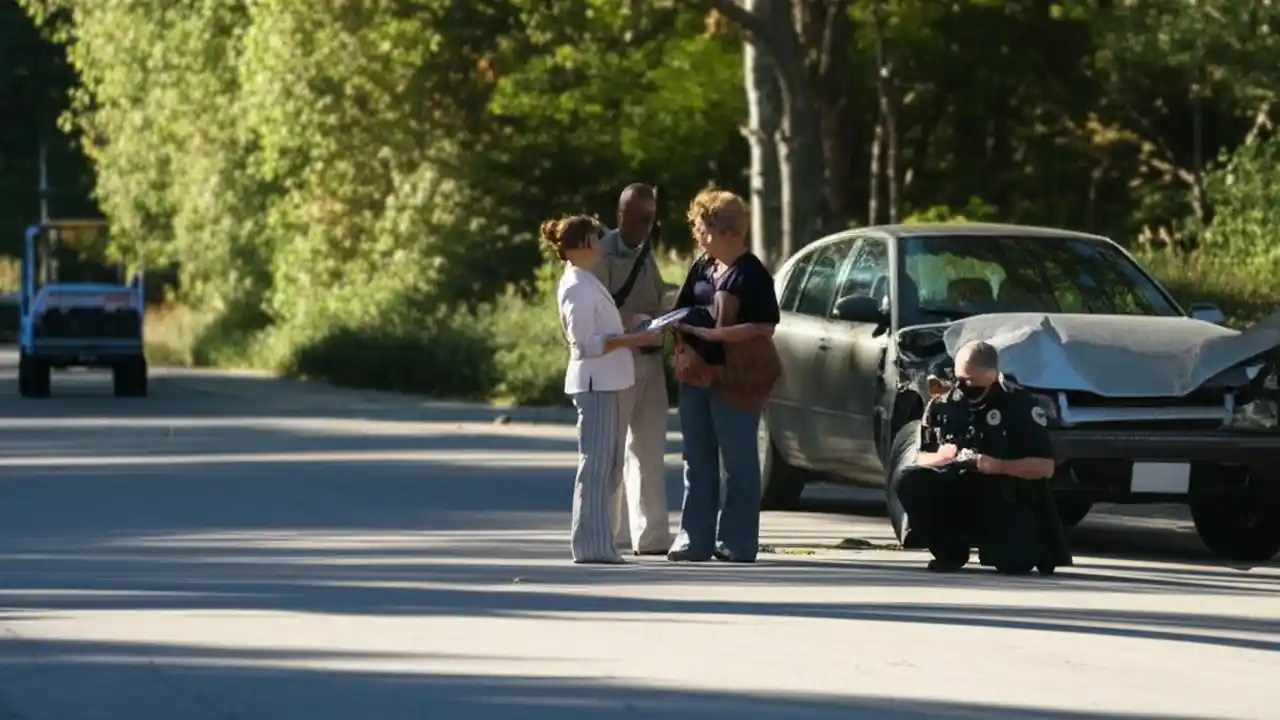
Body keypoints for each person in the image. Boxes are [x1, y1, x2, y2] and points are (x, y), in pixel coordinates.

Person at [667, 188, 782, 563]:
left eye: (703, 227)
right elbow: (682, 307)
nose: (698, 234)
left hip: (736, 378)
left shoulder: (752, 272)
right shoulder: (701, 267)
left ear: (726, 229)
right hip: (696, 374)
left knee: (739, 462)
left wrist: (718, 335)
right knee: (696, 460)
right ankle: (693, 540)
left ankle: (736, 542)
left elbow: (764, 326)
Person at [542, 215, 663, 564]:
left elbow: (603, 330)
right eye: (596, 238)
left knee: (608, 464)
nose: (601, 244)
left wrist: (633, 328)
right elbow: (586, 343)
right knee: (595, 464)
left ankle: (599, 542)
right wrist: (633, 339)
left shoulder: (587, 281)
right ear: (583, 245)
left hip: (610, 380)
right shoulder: (577, 286)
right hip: (596, 383)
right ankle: (590, 545)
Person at [896, 340, 1074, 574]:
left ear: (993, 376)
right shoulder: (946, 403)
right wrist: (941, 456)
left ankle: (1023, 546)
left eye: (972, 383)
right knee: (909, 480)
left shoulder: (1018, 406)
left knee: (1014, 565)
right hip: (956, 488)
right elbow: (920, 459)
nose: (964, 388)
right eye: (959, 380)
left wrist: (997, 465)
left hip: (1001, 495)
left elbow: (1045, 467)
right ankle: (949, 552)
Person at [592, 183, 674, 556]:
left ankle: (653, 536)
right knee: (611, 450)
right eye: (641, 218)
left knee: (650, 449)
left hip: (651, 360)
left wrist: (670, 307)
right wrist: (634, 322)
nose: (647, 226)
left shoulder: (647, 252)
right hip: (616, 361)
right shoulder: (599, 254)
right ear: (621, 215)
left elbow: (656, 294)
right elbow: (595, 315)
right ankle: (606, 533)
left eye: (652, 219)